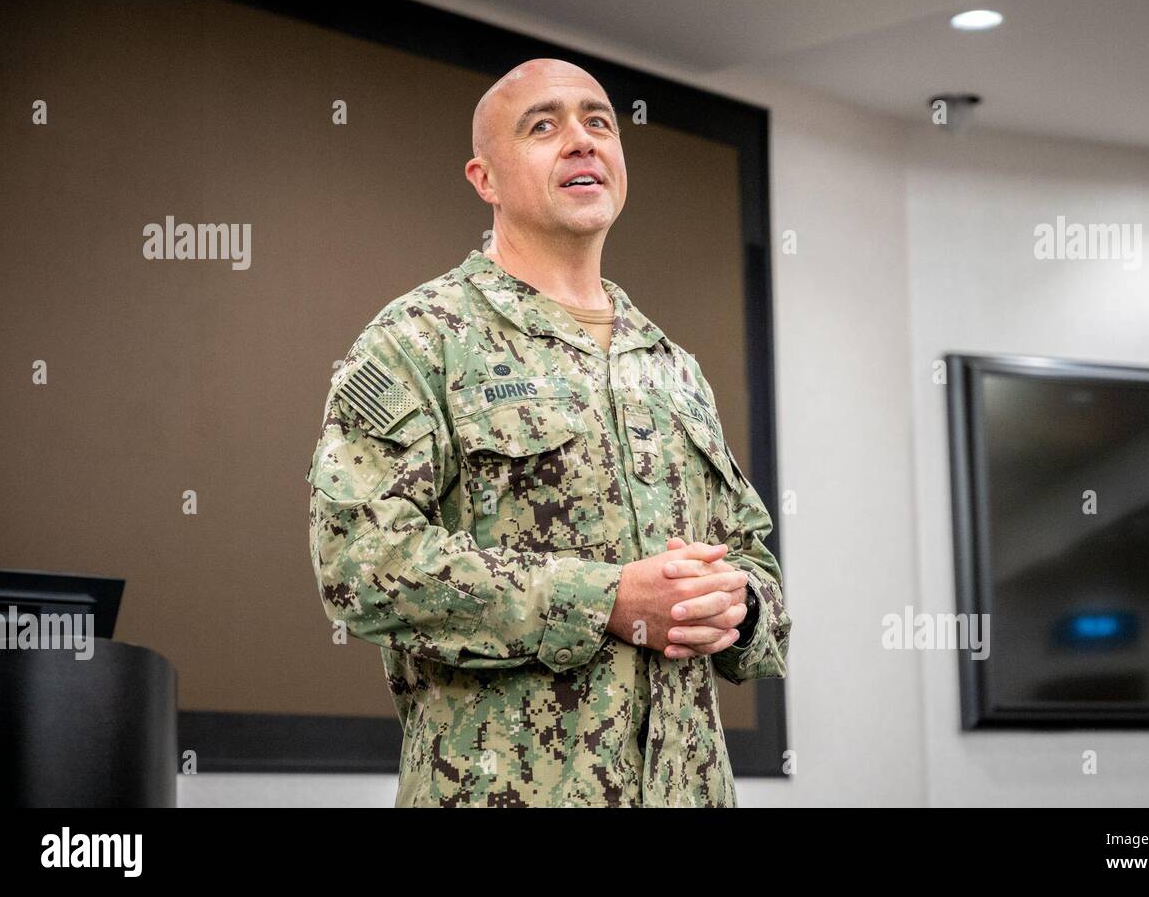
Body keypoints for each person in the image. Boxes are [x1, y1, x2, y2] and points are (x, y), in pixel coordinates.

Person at [305, 58, 790, 807]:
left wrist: (739, 604)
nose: (582, 141)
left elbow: (756, 560)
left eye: (599, 122)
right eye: (544, 126)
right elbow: (363, 562)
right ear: (485, 179)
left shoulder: (670, 366)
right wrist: (606, 600)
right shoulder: (419, 340)